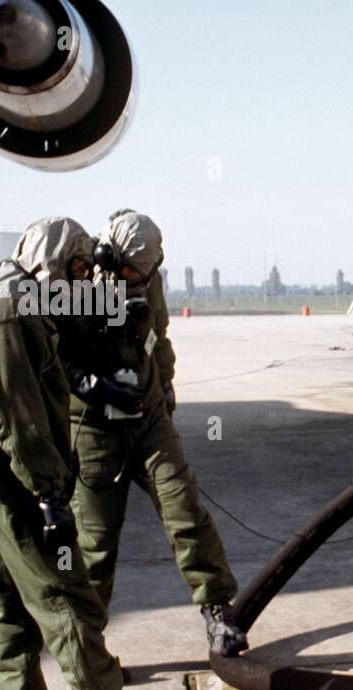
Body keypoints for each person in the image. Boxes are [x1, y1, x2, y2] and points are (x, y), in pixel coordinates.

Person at [0, 216, 185, 690]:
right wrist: (51, 493)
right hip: (17, 484)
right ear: (50, 262)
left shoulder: (9, 294)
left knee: (8, 601)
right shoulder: (11, 313)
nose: (81, 285)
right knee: (65, 593)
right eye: (75, 270)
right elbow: (19, 419)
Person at [58, 210, 246, 656]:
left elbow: (157, 337)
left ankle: (216, 608)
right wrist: (90, 383)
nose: (131, 281)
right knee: (96, 543)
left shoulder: (148, 279)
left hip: (147, 417)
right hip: (95, 425)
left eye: (139, 275)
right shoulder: (77, 278)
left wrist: (164, 383)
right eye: (123, 272)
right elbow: (52, 350)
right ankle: (90, 651)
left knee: (184, 507)